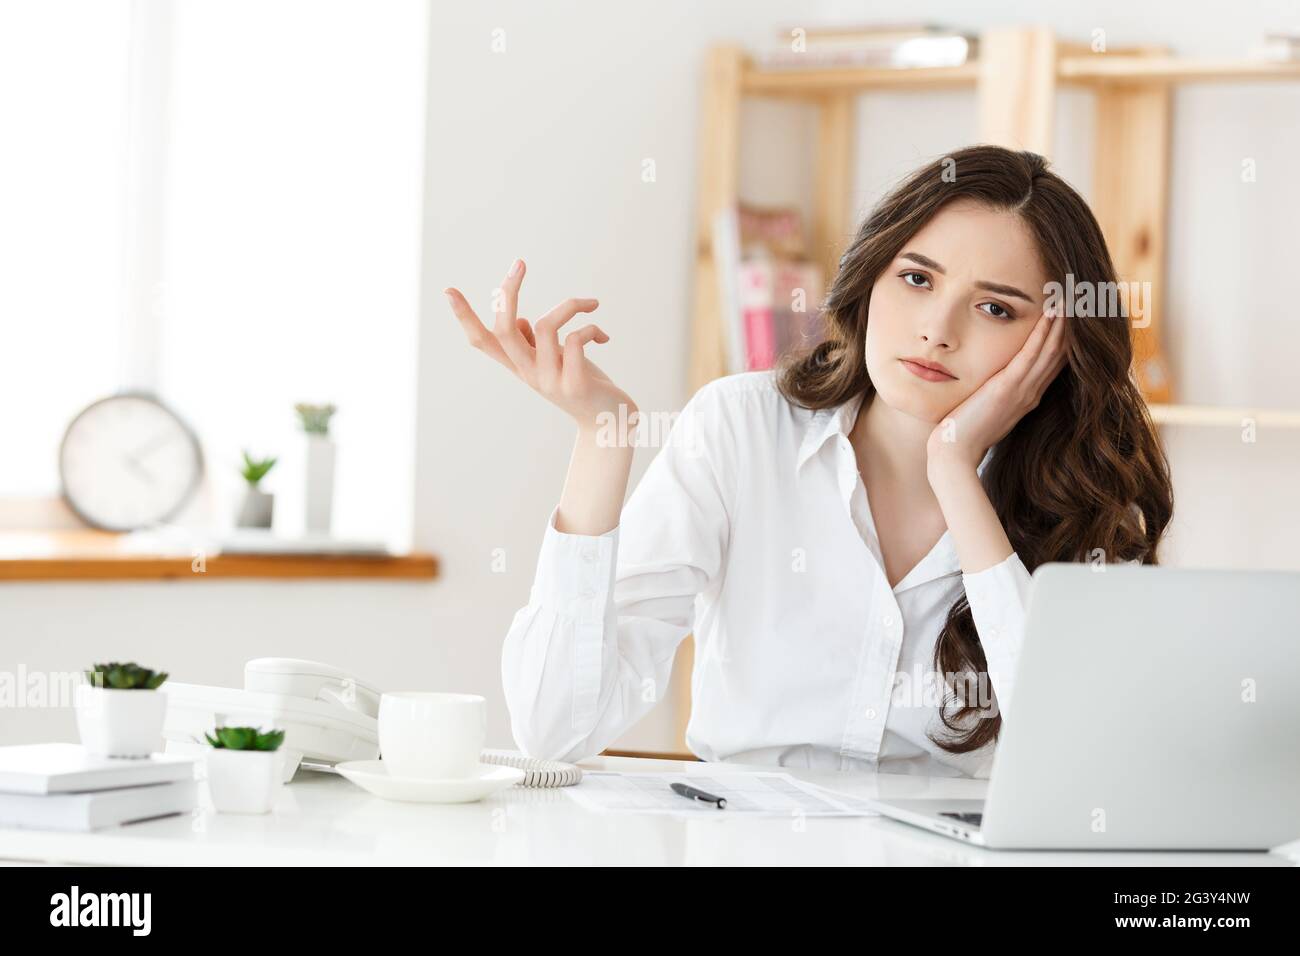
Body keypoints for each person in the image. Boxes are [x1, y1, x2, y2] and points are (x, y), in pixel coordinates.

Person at [444, 144, 1174, 778]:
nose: (936, 331)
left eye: (995, 309)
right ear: (871, 278)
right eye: (917, 279)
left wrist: (957, 476)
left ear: (1056, 342)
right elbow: (553, 731)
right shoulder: (740, 428)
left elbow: (1080, 759)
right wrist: (602, 435)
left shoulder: (1078, 490)